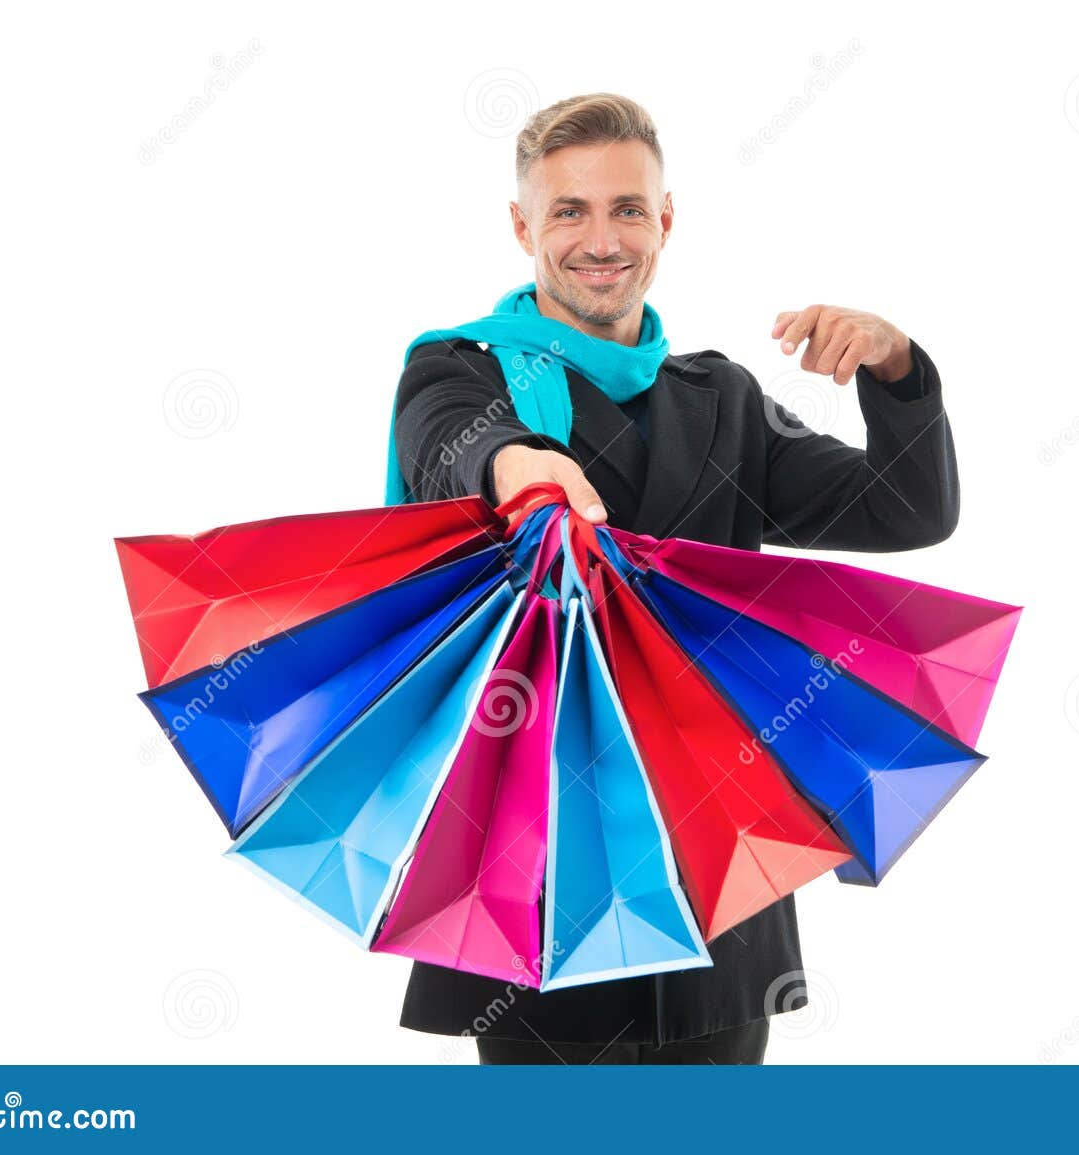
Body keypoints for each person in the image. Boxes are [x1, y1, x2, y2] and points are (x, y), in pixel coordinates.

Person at [387, 92, 959, 1064]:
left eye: (625, 209)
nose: (600, 238)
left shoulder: (719, 398)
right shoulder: (462, 370)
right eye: (569, 210)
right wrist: (521, 467)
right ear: (524, 226)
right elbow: (448, 444)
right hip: (546, 874)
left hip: (721, 883)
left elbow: (902, 511)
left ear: (665, 221)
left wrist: (897, 370)